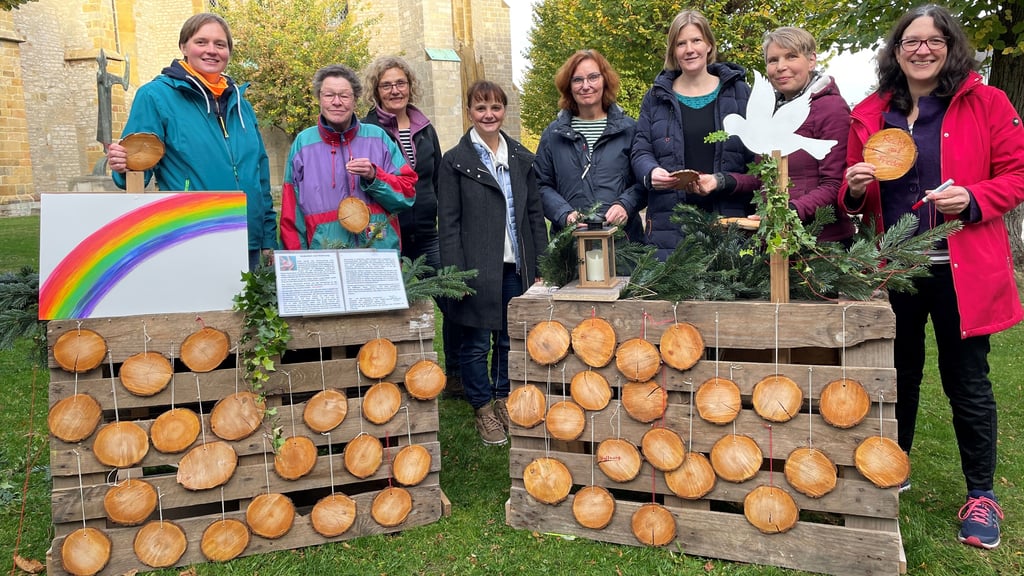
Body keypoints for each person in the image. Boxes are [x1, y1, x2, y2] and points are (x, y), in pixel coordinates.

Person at [841, 4, 1024, 550]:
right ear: (896, 52)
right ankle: (893, 470)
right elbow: (856, 201)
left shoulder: (987, 102)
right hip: (894, 268)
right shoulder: (870, 112)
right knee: (898, 377)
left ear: (951, 46)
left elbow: (1016, 175)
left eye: (933, 40)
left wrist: (973, 198)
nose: (922, 49)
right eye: (910, 41)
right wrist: (853, 191)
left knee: (967, 380)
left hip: (961, 267)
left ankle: (981, 495)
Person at [106, 13, 277, 272]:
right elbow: (136, 174)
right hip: (193, 234)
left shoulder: (242, 104)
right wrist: (123, 166)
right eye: (202, 42)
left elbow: (260, 174)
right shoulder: (155, 96)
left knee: (247, 313)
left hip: (247, 237)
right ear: (184, 47)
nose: (211, 50)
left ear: (229, 51)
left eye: (220, 44)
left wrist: (267, 237)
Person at [438, 81, 547, 445]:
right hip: (476, 266)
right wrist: (455, 272)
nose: (489, 114)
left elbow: (533, 214)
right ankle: (482, 407)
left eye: (496, 107)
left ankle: (502, 397)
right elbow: (449, 222)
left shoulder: (520, 157)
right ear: (470, 111)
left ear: (504, 111)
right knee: (475, 342)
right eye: (481, 108)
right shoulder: (456, 161)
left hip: (515, 264)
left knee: (507, 338)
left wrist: (540, 262)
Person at [362, 56, 462, 398]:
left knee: (452, 300)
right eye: (387, 85)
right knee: (391, 309)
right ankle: (391, 381)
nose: (394, 90)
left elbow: (436, 179)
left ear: (410, 86)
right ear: (376, 90)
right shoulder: (367, 130)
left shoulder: (424, 127)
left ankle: (457, 375)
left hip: (428, 234)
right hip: (388, 235)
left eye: (400, 83)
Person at [631, 9, 758, 260]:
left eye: (696, 40)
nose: (689, 49)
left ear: (709, 45)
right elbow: (640, 148)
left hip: (728, 220)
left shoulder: (741, 93)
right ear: (673, 51)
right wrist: (650, 172)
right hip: (670, 225)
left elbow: (758, 165)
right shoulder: (656, 97)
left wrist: (721, 180)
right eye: (681, 43)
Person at [280, 64, 416, 251]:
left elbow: (407, 195)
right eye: (329, 95)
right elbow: (291, 215)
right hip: (325, 258)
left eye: (344, 95)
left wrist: (374, 177)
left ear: (355, 100)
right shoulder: (303, 144)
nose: (337, 102)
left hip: (377, 254)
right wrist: (297, 264)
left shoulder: (378, 138)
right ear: (319, 98)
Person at [534, 49, 645, 241]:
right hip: (570, 247)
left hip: (624, 246)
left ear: (605, 80)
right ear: (568, 86)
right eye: (577, 80)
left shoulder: (630, 130)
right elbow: (540, 185)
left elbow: (644, 181)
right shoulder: (553, 135)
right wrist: (565, 214)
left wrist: (625, 205)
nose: (586, 86)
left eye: (593, 77)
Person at [762, 27, 854, 244]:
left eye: (791, 56)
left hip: (822, 245)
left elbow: (835, 184)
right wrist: (720, 181)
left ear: (811, 60)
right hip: (778, 240)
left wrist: (789, 212)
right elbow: (762, 178)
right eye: (773, 60)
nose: (781, 67)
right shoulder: (771, 112)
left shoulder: (830, 107)